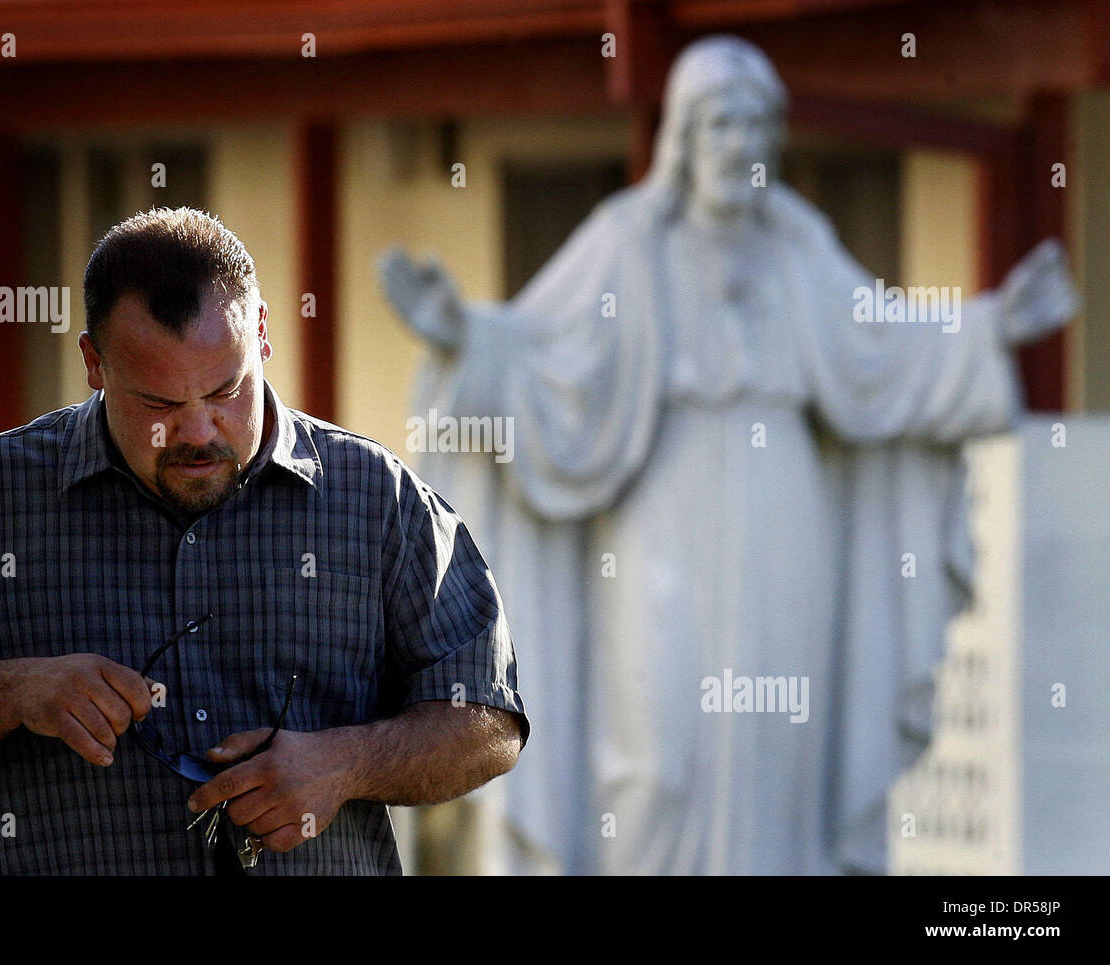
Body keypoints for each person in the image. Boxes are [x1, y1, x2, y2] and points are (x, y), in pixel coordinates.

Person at [379, 35, 1076, 874]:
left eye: (753, 127)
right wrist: (465, 337)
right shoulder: (630, 241)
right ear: (685, 137)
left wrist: (992, 326)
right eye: (718, 124)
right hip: (662, 508)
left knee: (781, 732)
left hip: (786, 505)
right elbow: (545, 353)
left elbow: (883, 353)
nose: (737, 144)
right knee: (656, 748)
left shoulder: (798, 243)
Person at [0, 206, 529, 875]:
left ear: (262, 333)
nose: (197, 431)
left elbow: (490, 721)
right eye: (159, 403)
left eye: (226, 390)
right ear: (94, 362)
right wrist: (11, 692)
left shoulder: (377, 500)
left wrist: (347, 763)